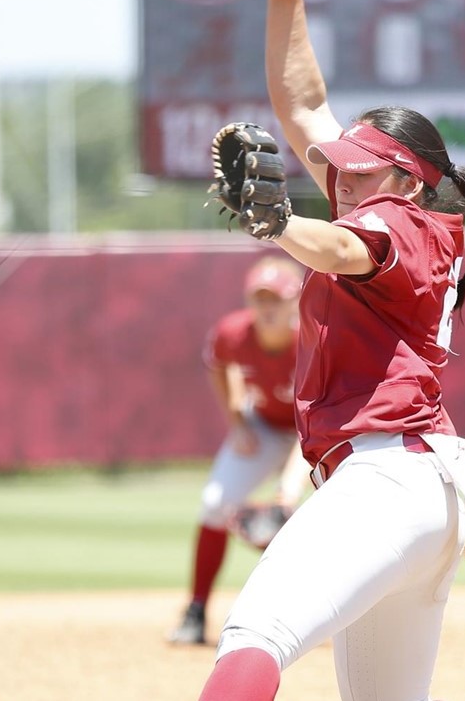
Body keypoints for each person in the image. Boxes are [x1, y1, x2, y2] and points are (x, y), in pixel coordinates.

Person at [197, 0, 465, 701]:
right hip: (418, 494)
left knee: (254, 638)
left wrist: (279, 226)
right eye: (339, 170)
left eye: (360, 172)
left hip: (385, 484)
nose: (340, 179)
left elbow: (343, 251)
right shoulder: (390, 205)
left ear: (410, 180)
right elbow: (304, 104)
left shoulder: (400, 224)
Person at [168, 255, 309, 646]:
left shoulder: (314, 341)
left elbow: (311, 425)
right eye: (259, 298)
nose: (267, 307)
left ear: (296, 301)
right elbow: (219, 364)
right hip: (262, 427)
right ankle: (195, 611)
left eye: (276, 298)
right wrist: (236, 420)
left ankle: (344, 619)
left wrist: (288, 491)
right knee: (214, 503)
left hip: (316, 436)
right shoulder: (232, 332)